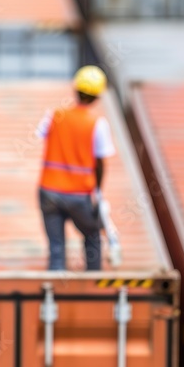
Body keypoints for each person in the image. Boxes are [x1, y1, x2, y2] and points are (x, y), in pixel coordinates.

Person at [38, 66, 115, 271]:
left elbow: (42, 134)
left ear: (75, 89)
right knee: (92, 236)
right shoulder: (97, 124)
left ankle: (52, 295)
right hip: (79, 195)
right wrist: (97, 192)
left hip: (48, 191)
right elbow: (100, 162)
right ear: (98, 96)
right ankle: (93, 281)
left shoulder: (54, 115)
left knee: (56, 247)